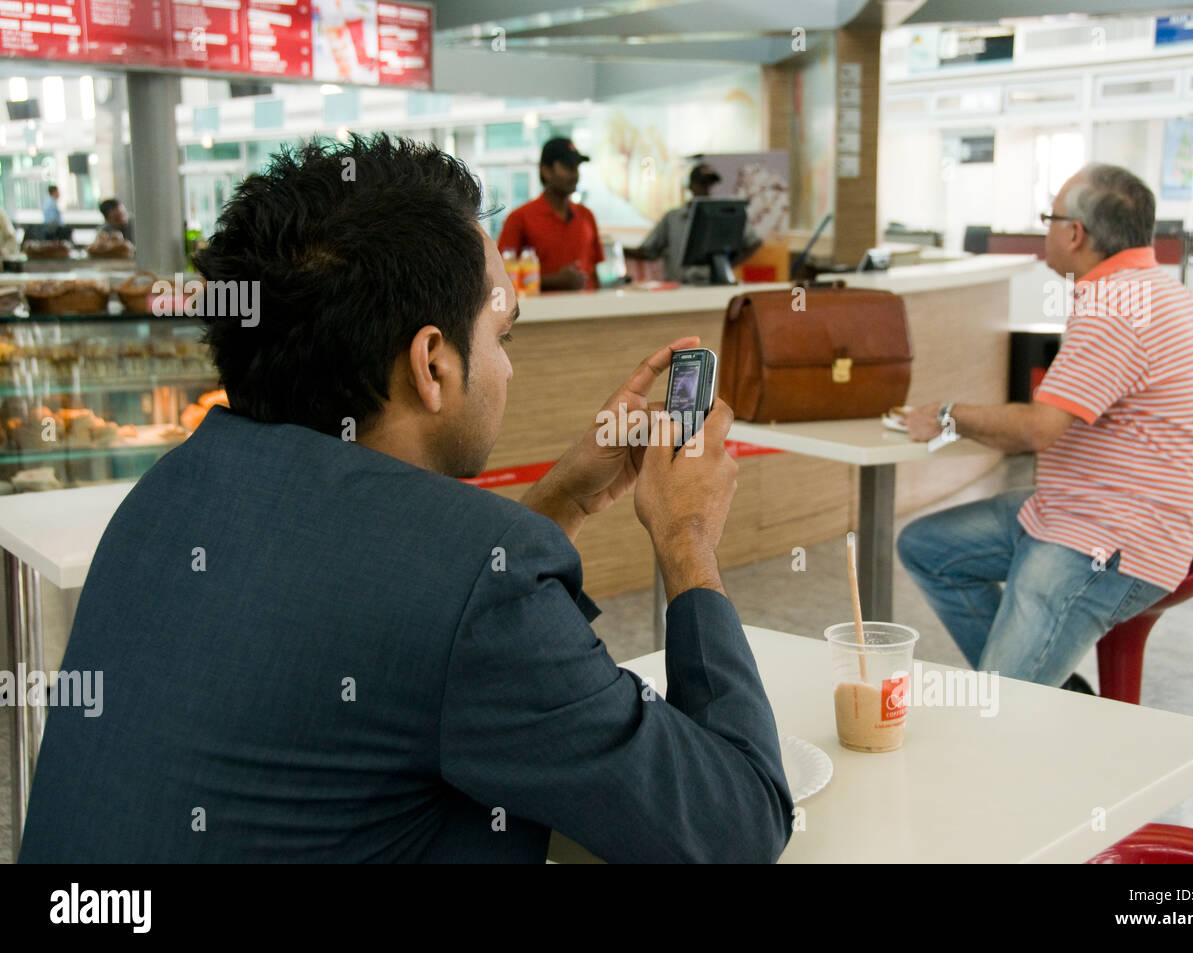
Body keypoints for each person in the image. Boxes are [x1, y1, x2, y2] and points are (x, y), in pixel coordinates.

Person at [19, 134, 792, 864]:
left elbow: (403, 618)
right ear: (432, 363)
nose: (509, 371)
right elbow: (735, 822)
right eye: (503, 339)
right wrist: (687, 537)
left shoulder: (169, 492)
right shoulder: (481, 589)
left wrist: (564, 497)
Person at [896, 163, 1193, 692]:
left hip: (1104, 544)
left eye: (1049, 217)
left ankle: (1021, 696)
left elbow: (1038, 429)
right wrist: (1178, 482)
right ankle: (1057, 693)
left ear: (1074, 233)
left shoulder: (1115, 307)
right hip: (1069, 512)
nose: (1044, 229)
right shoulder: (1167, 293)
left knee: (995, 707)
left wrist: (946, 416)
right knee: (927, 546)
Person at [497, 137, 604, 292]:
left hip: (588, 310)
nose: (575, 174)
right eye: (568, 167)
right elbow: (502, 278)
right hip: (543, 313)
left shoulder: (586, 216)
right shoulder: (520, 218)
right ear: (545, 171)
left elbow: (594, 274)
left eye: (576, 167)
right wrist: (554, 281)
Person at [625, 163, 763, 283]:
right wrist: (617, 250)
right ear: (691, 186)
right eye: (702, 184)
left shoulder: (723, 214)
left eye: (710, 184)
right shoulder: (673, 218)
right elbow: (649, 250)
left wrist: (729, 264)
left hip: (711, 284)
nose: (707, 189)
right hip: (679, 286)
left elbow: (754, 241)